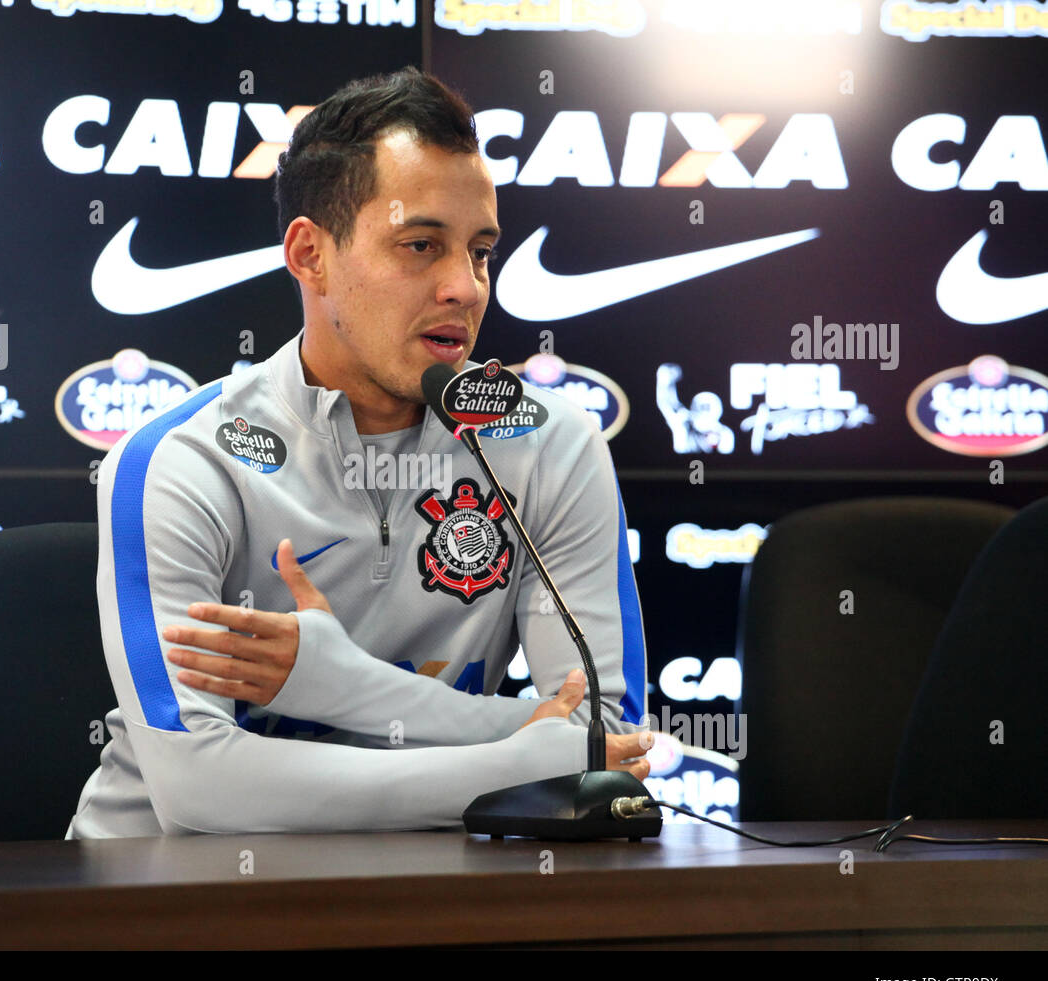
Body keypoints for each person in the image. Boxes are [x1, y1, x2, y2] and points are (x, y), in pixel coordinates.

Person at [67, 67, 651, 838]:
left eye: (480, 251)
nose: (466, 288)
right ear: (311, 255)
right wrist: (520, 751)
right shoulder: (183, 459)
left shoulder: (548, 443)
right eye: (420, 246)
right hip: (168, 907)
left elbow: (607, 746)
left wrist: (345, 686)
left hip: (429, 899)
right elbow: (199, 789)